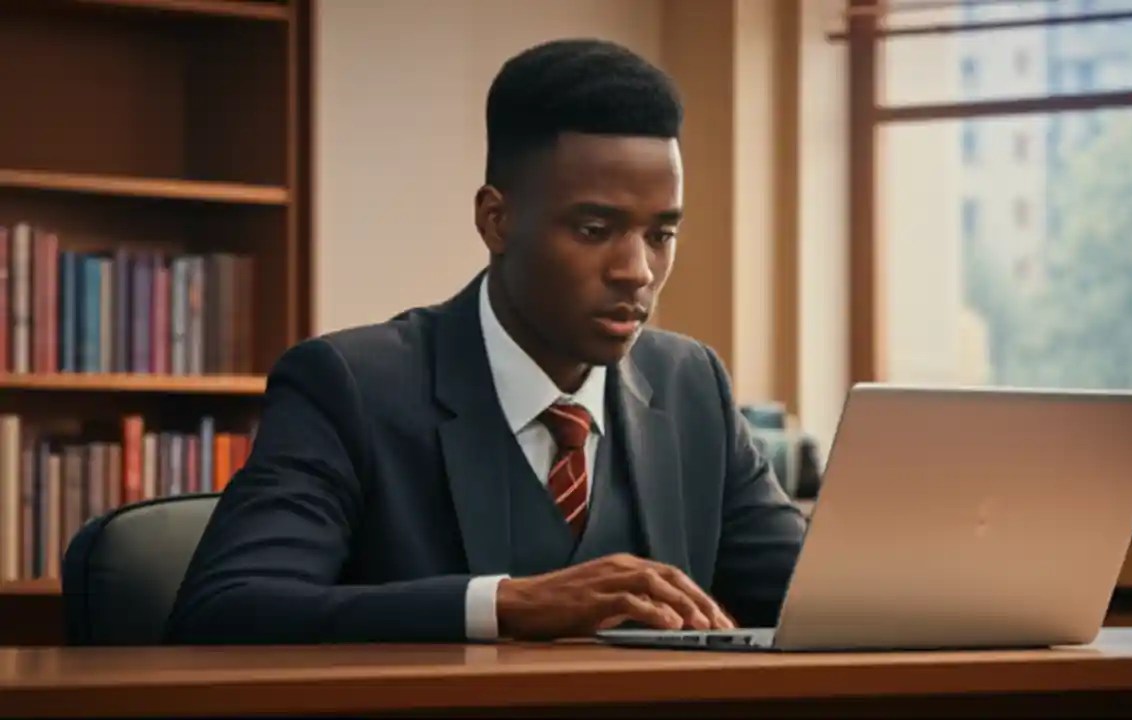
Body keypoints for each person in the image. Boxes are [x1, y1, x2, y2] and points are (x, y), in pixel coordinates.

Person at [164, 38, 806, 644]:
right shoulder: (349, 386)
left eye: (660, 235)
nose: (636, 270)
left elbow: (819, 598)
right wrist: (506, 604)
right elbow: (226, 608)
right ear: (496, 220)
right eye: (593, 228)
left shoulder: (690, 384)